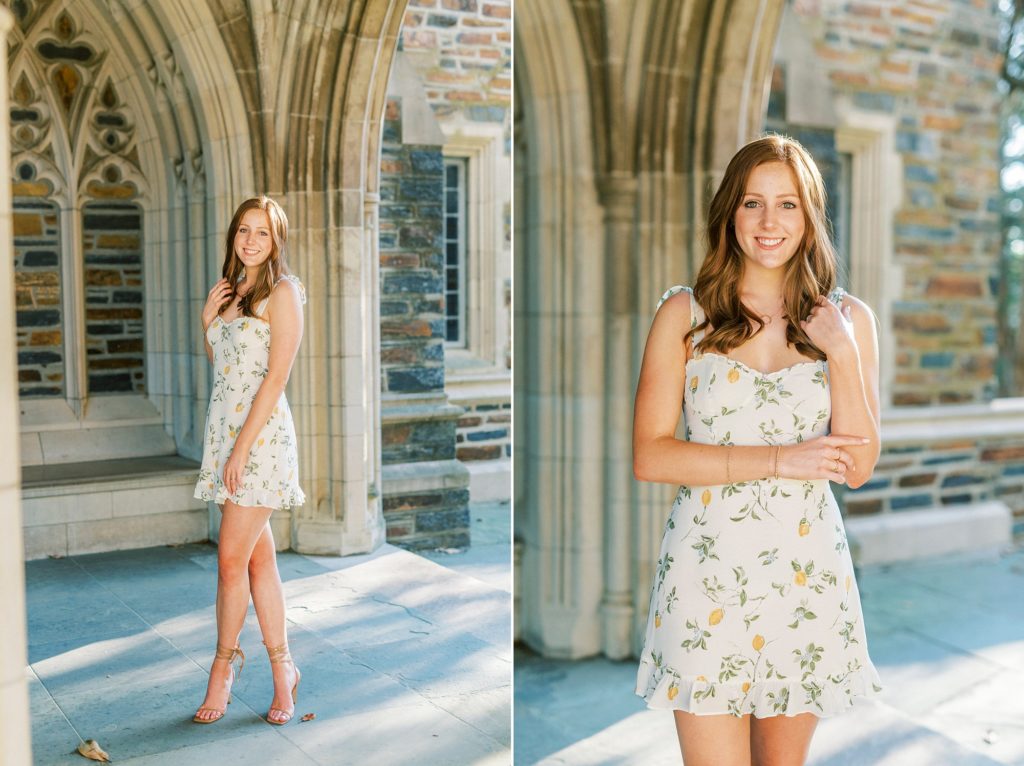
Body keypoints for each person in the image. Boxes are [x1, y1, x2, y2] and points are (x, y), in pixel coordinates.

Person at [633, 135, 882, 765]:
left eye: (788, 205)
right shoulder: (684, 316)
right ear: (729, 213)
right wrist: (782, 459)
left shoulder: (849, 320)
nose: (769, 222)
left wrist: (843, 353)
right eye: (752, 203)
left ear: (810, 217)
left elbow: (857, 467)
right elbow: (652, 456)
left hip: (807, 577)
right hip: (706, 576)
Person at [191, 195, 306, 726]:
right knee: (259, 561)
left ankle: (223, 665)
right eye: (243, 230)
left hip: (258, 445)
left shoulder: (283, 293)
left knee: (229, 561)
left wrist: (240, 451)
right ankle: (284, 669)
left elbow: (274, 377)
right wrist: (208, 322)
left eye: (261, 233)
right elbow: (228, 368)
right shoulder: (231, 292)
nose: (250, 241)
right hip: (226, 437)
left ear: (276, 239)